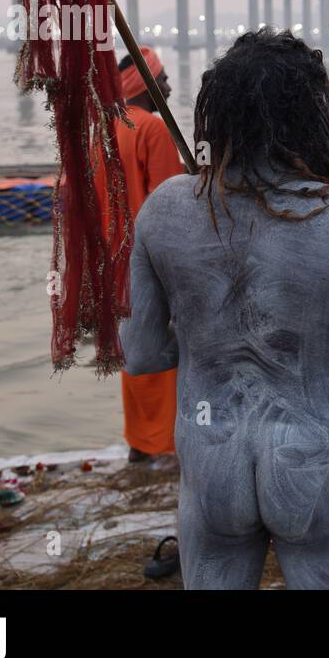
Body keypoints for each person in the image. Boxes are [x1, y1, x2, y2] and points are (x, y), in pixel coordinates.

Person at [119, 29, 329, 589]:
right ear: (315, 115)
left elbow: (139, 355)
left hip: (212, 467)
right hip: (314, 465)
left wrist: (195, 335)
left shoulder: (165, 211)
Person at [93, 47, 185, 464]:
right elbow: (169, 209)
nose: (168, 86)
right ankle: (165, 443)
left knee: (133, 351)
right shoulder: (151, 128)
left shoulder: (103, 127)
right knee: (165, 350)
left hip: (112, 261)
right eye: (162, 79)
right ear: (146, 86)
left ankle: (140, 443)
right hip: (150, 263)